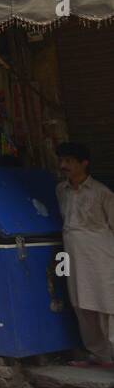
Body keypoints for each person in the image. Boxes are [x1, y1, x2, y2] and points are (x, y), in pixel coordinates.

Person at [55, 142, 114, 369]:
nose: (64, 165)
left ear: (84, 163)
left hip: (101, 255)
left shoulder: (102, 193)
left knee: (107, 302)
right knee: (81, 303)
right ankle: (98, 354)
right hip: (71, 255)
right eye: (62, 161)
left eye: (69, 161)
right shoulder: (61, 190)